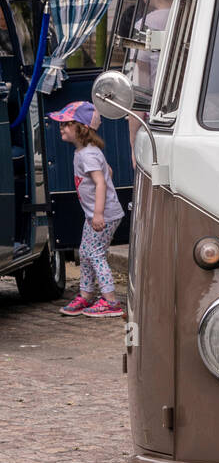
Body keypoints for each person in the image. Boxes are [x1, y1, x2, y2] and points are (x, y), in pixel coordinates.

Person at [49, 100, 125, 318]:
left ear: (81, 128)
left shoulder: (88, 155)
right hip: (95, 214)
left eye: (66, 124)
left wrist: (99, 213)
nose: (61, 127)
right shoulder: (87, 151)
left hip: (102, 216)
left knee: (95, 254)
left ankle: (110, 302)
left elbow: (101, 181)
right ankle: (86, 294)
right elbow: (108, 172)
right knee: (85, 252)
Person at [128, 0, 188, 162]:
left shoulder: (146, 25)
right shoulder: (192, 16)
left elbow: (141, 87)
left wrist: (133, 136)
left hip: (160, 118)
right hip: (190, 116)